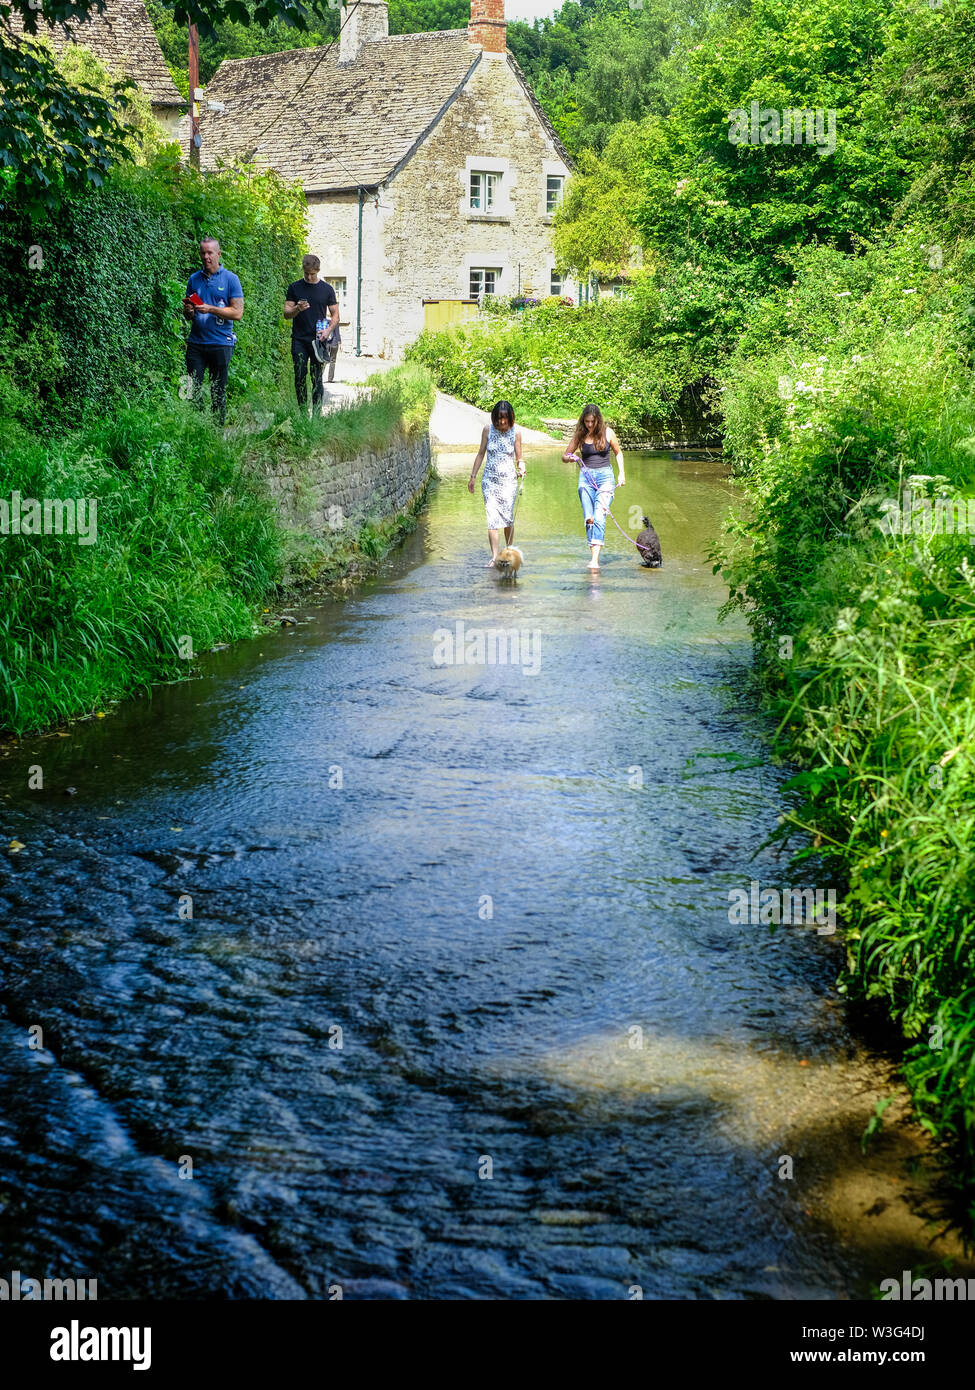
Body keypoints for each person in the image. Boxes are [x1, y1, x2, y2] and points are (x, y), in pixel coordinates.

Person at [182, 238, 243, 426]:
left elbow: (237, 313)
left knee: (218, 391)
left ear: (219, 254)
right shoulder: (194, 279)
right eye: (203, 253)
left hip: (221, 343)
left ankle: (216, 432)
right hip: (196, 343)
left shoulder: (231, 279)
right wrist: (189, 311)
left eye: (210, 253)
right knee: (190, 388)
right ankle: (195, 427)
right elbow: (188, 314)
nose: (206, 257)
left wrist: (210, 309)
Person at [563, 403, 625, 570]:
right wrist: (572, 458)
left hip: (605, 477)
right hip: (586, 478)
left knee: (599, 516)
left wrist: (622, 474)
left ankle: (595, 560)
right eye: (586, 421)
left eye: (592, 421)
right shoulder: (580, 435)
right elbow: (565, 456)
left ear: (598, 420)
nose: (589, 425)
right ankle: (593, 555)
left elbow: (618, 453)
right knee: (589, 519)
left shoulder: (608, 432)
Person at [468, 401, 525, 567]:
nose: (502, 422)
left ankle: (507, 553)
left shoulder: (516, 433)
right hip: (489, 482)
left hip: (508, 482)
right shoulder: (487, 430)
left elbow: (519, 458)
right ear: (494, 418)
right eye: (499, 419)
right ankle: (494, 557)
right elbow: (480, 454)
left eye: (505, 419)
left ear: (510, 418)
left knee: (507, 518)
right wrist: (473, 476)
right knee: (492, 519)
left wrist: (522, 467)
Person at [284, 255, 340, 410]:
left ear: (318, 271)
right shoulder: (294, 288)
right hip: (299, 339)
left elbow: (335, 315)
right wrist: (297, 308)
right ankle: (302, 413)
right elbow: (286, 313)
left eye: (312, 274)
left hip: (318, 340)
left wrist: (328, 330)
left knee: (316, 379)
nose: (309, 277)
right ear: (303, 269)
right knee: (300, 377)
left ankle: (316, 415)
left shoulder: (327, 289)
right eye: (306, 273)